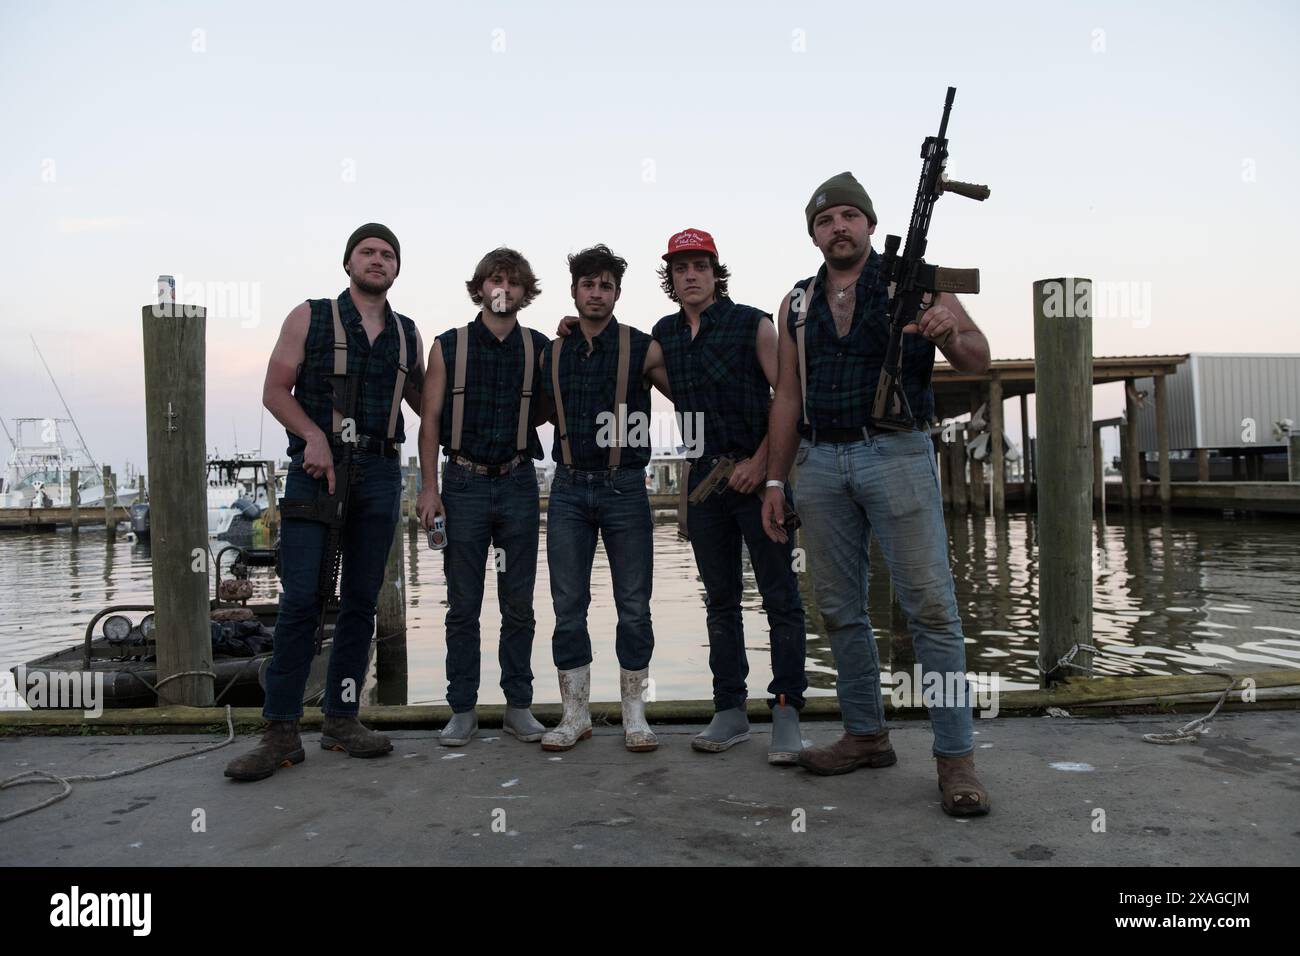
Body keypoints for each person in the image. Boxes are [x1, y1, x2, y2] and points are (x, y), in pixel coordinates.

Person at [760, 172, 993, 815]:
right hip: (820, 459)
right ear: (813, 233)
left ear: (868, 223)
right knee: (839, 607)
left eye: (848, 216)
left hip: (896, 451)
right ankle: (866, 735)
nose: (838, 227)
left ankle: (955, 760)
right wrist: (777, 480)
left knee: (931, 610)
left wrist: (947, 330)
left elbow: (978, 356)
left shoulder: (916, 278)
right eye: (825, 219)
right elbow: (787, 396)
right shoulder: (798, 303)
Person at [226, 223, 424, 781]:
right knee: (301, 601)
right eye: (368, 252)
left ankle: (341, 718)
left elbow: (428, 399)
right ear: (348, 263)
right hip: (317, 473)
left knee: (361, 601)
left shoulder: (407, 333)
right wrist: (312, 435)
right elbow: (273, 390)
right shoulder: (309, 316)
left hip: (382, 473)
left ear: (396, 268)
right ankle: (281, 732)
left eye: (388, 255)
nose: (378, 261)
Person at [650, 228, 807, 763]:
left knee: (780, 595)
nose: (690, 274)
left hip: (759, 481)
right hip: (704, 484)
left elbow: (789, 398)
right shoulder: (664, 334)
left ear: (717, 272)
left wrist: (763, 466)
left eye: (700, 265)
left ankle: (786, 710)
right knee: (720, 600)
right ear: (670, 279)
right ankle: (730, 710)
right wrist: (576, 328)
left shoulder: (753, 322)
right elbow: (632, 361)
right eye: (680, 267)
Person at [416, 248, 551, 747]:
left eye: (514, 282)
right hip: (464, 484)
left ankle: (518, 706)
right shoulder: (447, 346)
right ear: (480, 288)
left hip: (518, 481)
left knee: (519, 604)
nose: (504, 288)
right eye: (496, 279)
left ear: (524, 293)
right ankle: (463, 709)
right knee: (462, 606)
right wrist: (429, 489)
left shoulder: (540, 348)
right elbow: (428, 422)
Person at [539, 244, 670, 753]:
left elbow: (690, 394)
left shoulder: (645, 348)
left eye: (606, 285)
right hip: (568, 488)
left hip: (625, 489)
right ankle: (576, 715)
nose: (597, 293)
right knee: (568, 604)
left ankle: (635, 715)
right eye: (588, 284)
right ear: (574, 292)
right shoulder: (552, 351)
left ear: (617, 292)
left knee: (634, 606)